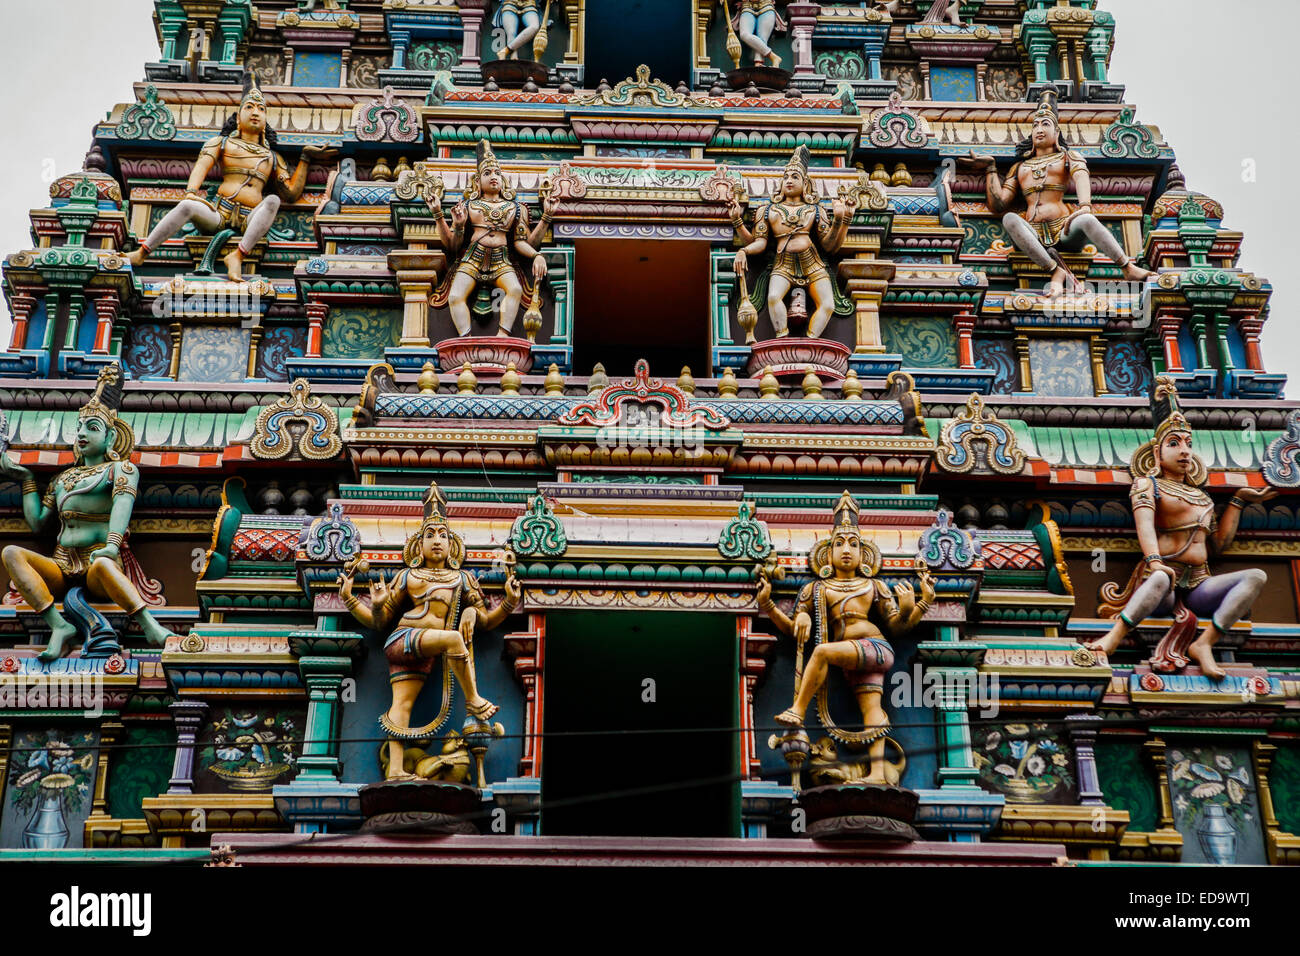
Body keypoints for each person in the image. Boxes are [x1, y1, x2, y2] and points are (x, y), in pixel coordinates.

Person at [1085, 379, 1274, 679]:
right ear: (1157, 454)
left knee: (1256, 577)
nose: (1184, 450)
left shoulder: (1202, 496)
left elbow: (1218, 545)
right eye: (1174, 443)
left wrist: (1239, 500)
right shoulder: (1149, 485)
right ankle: (1115, 635)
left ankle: (1205, 642)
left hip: (1199, 583)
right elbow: (1144, 526)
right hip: (1162, 583)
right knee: (1161, 578)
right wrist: (1156, 562)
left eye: (1188, 443)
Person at [339, 482, 521, 781]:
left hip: (425, 652)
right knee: (453, 638)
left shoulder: (462, 578)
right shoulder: (408, 576)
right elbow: (379, 622)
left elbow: (487, 621)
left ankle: (396, 769)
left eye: (443, 536)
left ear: (453, 545)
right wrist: (356, 600)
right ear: (418, 545)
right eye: (429, 535)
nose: (436, 540)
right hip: (404, 639)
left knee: (402, 705)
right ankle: (474, 698)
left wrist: (509, 603)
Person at [0, 365, 176, 661]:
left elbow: (122, 504)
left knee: (106, 565)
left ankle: (151, 626)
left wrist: (111, 544)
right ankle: (59, 626)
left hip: (97, 561)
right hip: (60, 564)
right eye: (80, 428)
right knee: (11, 554)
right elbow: (38, 524)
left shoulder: (120, 469)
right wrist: (26, 479)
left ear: (110, 439)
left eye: (92, 428)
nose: (82, 434)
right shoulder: (62, 479)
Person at [759, 491, 934, 783]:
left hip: (875, 648)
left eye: (853, 544)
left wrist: (916, 606)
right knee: (872, 710)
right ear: (827, 554)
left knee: (823, 652)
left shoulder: (873, 586)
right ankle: (878, 773)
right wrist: (769, 605)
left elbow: (897, 627)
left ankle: (797, 710)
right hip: (853, 660)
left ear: (863, 553)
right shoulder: (816, 590)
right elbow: (795, 632)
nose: (846, 550)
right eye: (839, 543)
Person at [125, 74, 335, 282]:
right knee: (187, 205)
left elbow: (291, 193)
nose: (256, 113)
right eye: (249, 107)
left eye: (261, 110)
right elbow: (201, 166)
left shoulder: (272, 157)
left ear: (265, 122)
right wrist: (191, 192)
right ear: (237, 118)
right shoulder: (222, 144)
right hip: (219, 212)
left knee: (273, 201)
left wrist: (306, 157)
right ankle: (142, 253)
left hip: (250, 217)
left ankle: (238, 255)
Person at [961, 90, 1155, 297]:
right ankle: (1055, 271)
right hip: (1032, 230)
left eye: (1045, 124)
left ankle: (1127, 267)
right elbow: (998, 205)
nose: (1039, 129)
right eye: (1035, 125)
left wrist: (1084, 207)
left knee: (1087, 220)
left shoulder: (1066, 157)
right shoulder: (1019, 167)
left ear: (1057, 132)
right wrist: (990, 168)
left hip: (1064, 227)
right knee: (1009, 219)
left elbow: (1081, 175)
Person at [430, 140, 553, 337]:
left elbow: (521, 242)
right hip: (473, 258)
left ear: (503, 180)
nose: (493, 177)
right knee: (455, 296)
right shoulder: (470, 205)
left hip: (501, 259)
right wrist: (445, 218)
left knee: (514, 289)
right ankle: (466, 338)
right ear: (477, 181)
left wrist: (537, 252)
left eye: (497, 173)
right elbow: (452, 244)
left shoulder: (515, 208)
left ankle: (503, 335)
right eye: (487, 173)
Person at [731, 145, 850, 338]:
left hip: (812, 263)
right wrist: (742, 243)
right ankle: (782, 337)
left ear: (806, 183)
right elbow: (759, 243)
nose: (789, 181)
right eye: (786, 177)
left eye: (795, 177)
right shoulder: (769, 210)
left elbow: (829, 245)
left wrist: (839, 220)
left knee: (828, 304)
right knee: (773, 297)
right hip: (783, 264)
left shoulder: (815, 210)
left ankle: (811, 339)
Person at [733, 0, 787, 68]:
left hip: (766, 6)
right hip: (747, 7)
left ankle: (758, 63)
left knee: (762, 38)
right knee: (744, 34)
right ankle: (773, 56)